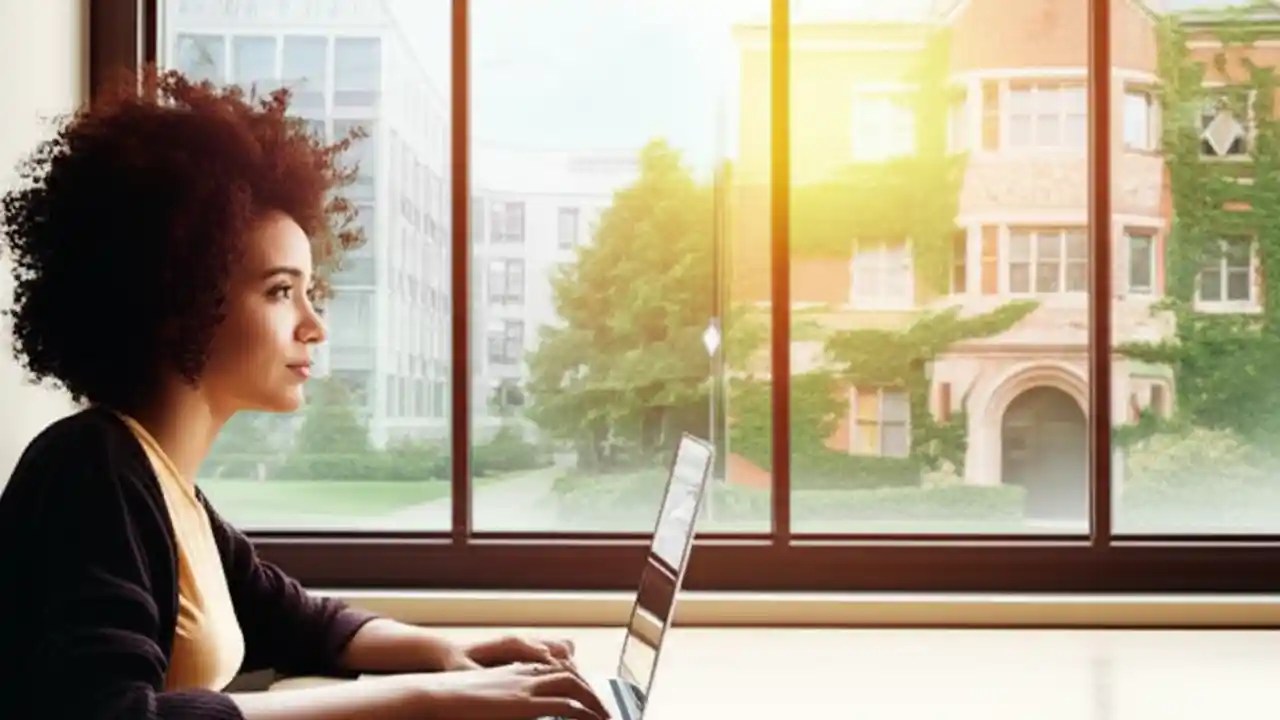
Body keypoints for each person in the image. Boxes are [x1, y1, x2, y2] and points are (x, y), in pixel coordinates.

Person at [0, 68, 610, 720]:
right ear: (181, 300)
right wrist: (428, 698)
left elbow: (297, 620)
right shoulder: (91, 474)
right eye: (281, 292)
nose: (315, 326)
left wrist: (450, 653)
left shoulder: (163, 485)